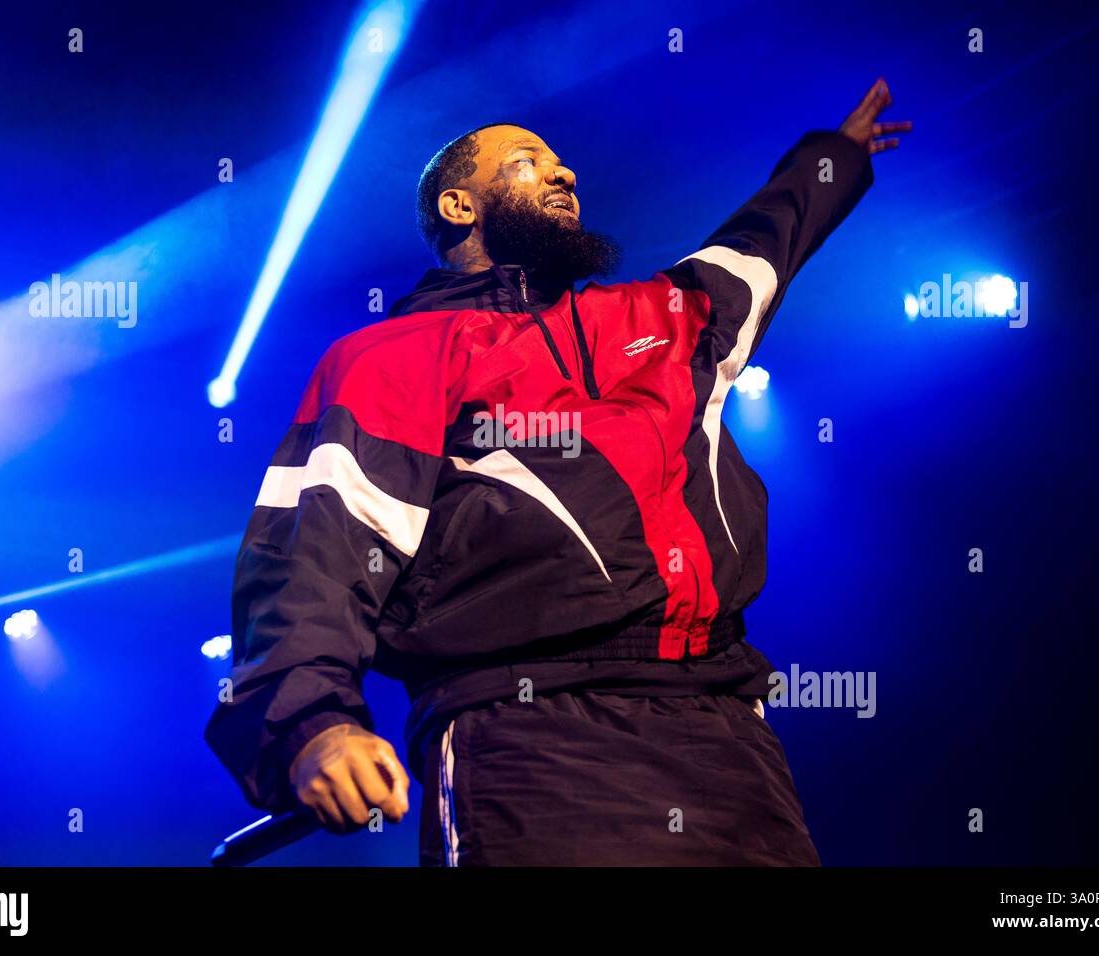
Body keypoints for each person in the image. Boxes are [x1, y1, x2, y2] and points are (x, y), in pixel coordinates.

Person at [206, 78, 911, 865]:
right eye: (527, 162)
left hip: (730, 742)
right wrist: (313, 725)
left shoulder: (667, 316)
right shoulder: (390, 357)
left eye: (562, 162)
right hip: (524, 738)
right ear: (459, 208)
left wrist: (834, 158)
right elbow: (313, 554)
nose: (564, 173)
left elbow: (767, 236)